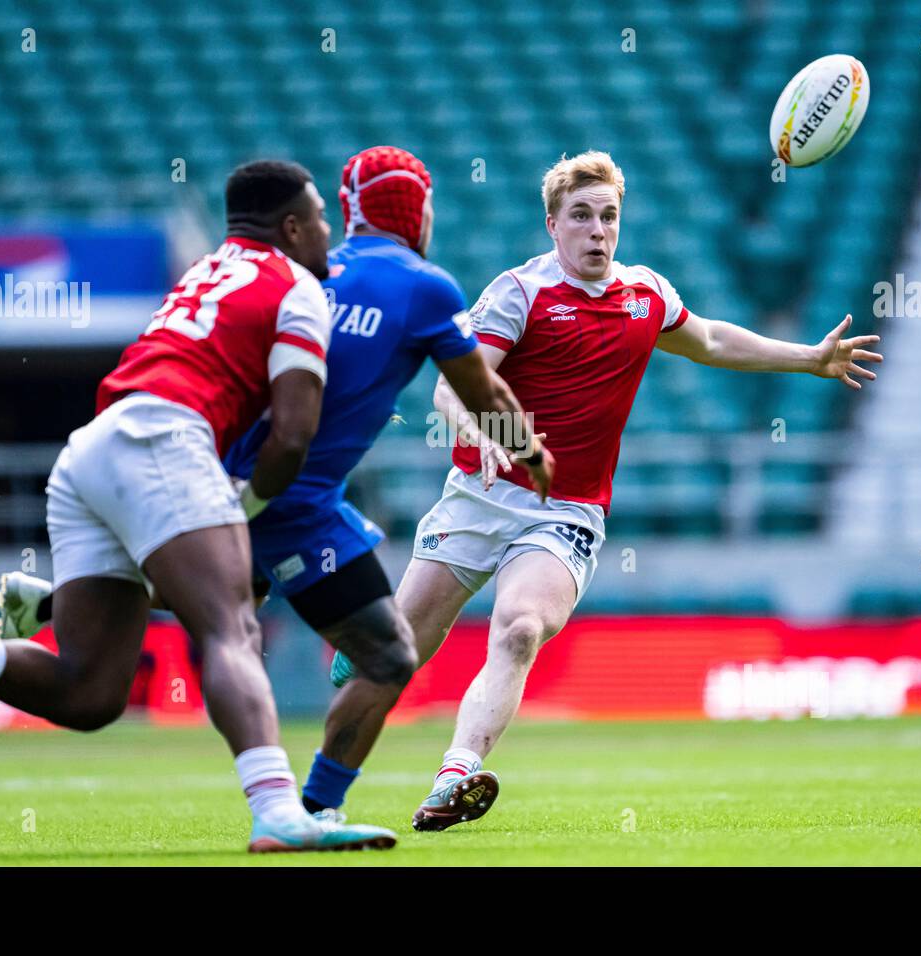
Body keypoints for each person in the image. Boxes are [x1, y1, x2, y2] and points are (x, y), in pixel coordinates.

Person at [326, 150, 884, 831]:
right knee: (393, 655)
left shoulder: (646, 295)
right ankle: (320, 802)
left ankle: (455, 775)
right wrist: (491, 428)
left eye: (609, 217)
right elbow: (450, 388)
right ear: (553, 225)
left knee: (521, 629)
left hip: (565, 510)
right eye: (582, 217)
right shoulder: (519, 293)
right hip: (478, 496)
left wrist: (808, 358)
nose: (598, 230)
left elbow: (708, 339)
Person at [0, 159, 396, 853]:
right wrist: (247, 504)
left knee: (89, 692)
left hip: (90, 452)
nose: (330, 233)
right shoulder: (295, 286)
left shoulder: (205, 271)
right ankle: (278, 811)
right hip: (165, 439)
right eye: (321, 219)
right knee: (230, 627)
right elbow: (294, 434)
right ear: (291, 227)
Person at [0, 146, 552, 818]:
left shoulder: (303, 275)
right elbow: (483, 392)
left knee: (238, 593)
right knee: (385, 653)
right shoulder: (425, 285)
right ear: (419, 210)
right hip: (295, 499)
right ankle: (315, 807)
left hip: (215, 468)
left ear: (350, 212)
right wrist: (528, 453)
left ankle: (54, 606)